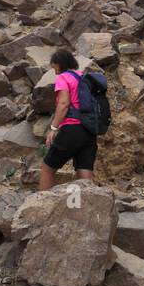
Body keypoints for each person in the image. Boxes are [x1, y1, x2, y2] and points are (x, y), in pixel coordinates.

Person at [40, 49, 97, 191]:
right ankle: (92, 208)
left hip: (72, 129)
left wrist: (53, 128)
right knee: (84, 172)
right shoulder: (83, 76)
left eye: (54, 67)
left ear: (59, 63)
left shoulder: (63, 78)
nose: (55, 72)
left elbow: (64, 104)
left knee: (47, 168)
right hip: (89, 130)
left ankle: (41, 206)